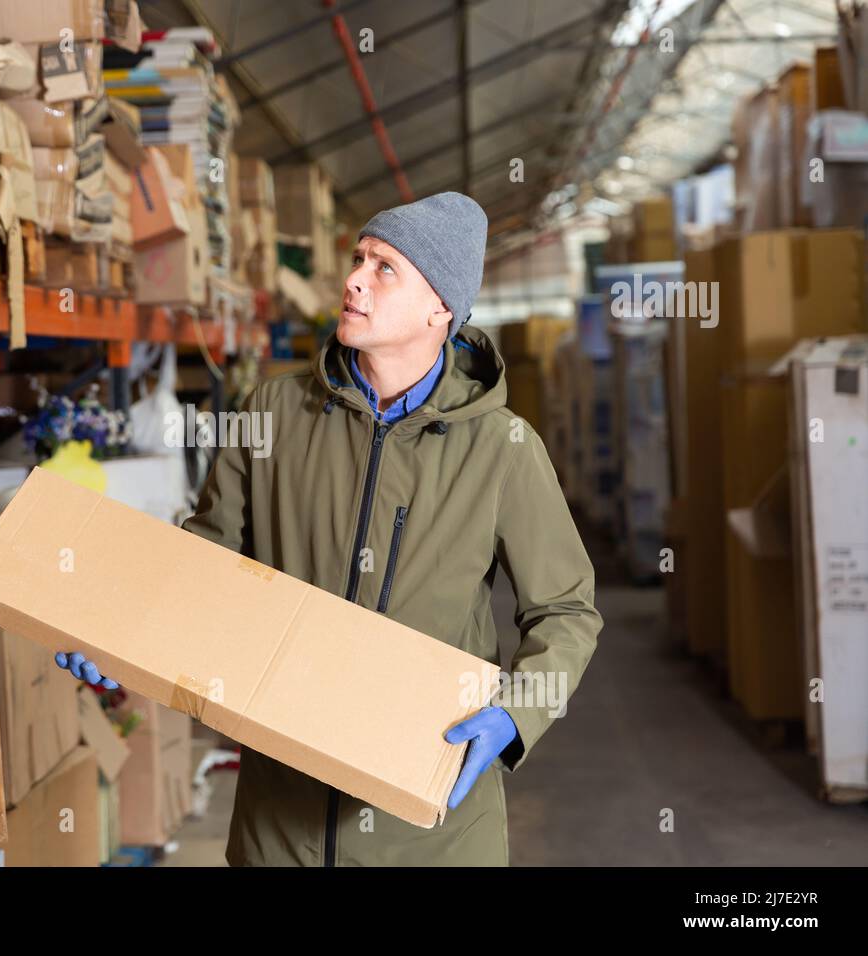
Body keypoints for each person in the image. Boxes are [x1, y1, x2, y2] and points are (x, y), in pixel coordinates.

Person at [56, 191, 602, 866]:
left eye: (384, 268)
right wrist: (121, 632)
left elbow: (566, 611)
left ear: (440, 308)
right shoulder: (273, 415)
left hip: (430, 830)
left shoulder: (502, 449)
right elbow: (205, 564)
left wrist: (517, 715)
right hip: (281, 821)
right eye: (358, 259)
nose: (354, 279)